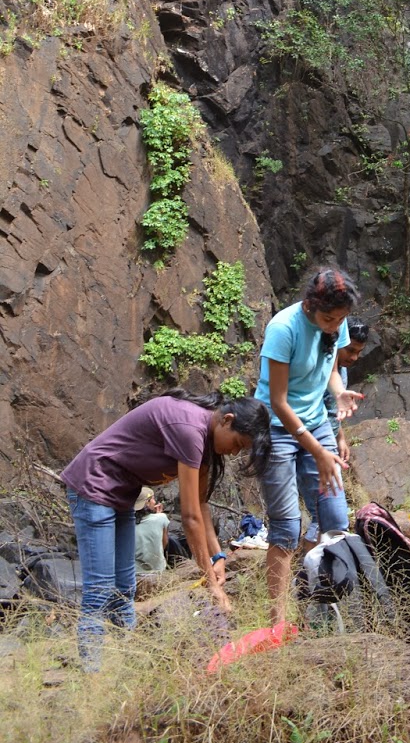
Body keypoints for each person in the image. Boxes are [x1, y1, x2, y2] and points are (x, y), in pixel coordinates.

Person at [61, 390, 270, 667]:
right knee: (100, 588)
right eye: (237, 444)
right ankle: (92, 672)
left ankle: (126, 663)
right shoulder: (189, 428)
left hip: (123, 496)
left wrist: (218, 556)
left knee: (124, 587)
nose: (233, 452)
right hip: (93, 485)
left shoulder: (206, 439)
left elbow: (201, 505)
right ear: (226, 420)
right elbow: (189, 516)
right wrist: (212, 585)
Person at [255, 267, 362, 621]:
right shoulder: (282, 330)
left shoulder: (337, 321)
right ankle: (277, 618)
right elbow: (279, 401)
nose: (334, 325)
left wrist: (338, 391)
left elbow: (330, 365)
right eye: (328, 318)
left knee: (334, 518)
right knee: (286, 525)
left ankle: (324, 602)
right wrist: (317, 450)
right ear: (308, 305)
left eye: (340, 319)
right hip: (276, 428)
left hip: (316, 422)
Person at [305, 321, 370, 544]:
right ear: (338, 342)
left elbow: (333, 409)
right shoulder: (320, 368)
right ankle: (309, 572)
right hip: (314, 445)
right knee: (320, 514)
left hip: (330, 441)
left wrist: (340, 437)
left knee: (328, 513)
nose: (354, 357)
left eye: (359, 353)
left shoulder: (340, 371)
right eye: (350, 350)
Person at [133, 488, 169, 587]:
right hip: (157, 573)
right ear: (147, 503)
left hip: (134, 574)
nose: (155, 501)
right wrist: (159, 515)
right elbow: (164, 543)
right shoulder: (161, 518)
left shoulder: (125, 524)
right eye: (152, 499)